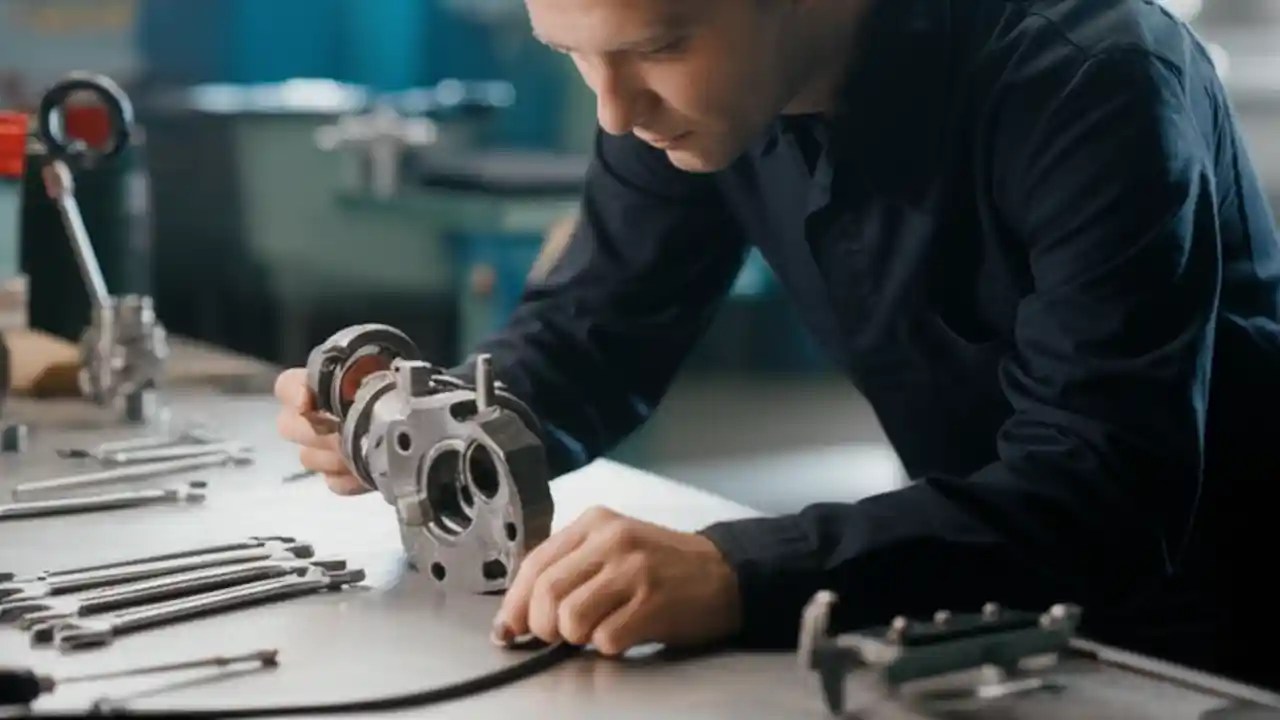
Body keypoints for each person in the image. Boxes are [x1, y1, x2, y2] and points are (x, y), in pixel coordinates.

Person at [275, 0, 1280, 687]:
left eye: (656, 45)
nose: (612, 111)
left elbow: (1101, 488)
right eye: (573, 55)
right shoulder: (688, 97)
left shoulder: (1090, 79)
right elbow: (595, 333)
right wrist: (430, 422)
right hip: (964, 589)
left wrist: (743, 571)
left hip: (1209, 630)